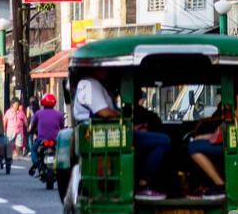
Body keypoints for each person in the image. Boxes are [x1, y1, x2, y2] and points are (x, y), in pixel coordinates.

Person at [73, 67, 169, 197]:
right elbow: (105, 113)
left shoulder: (94, 85)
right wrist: (125, 121)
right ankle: (144, 183)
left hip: (109, 133)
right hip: (106, 135)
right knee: (163, 141)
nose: (107, 70)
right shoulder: (90, 84)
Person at [28, 93, 65, 172]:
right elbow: (62, 127)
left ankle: (36, 162)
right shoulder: (59, 114)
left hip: (41, 139)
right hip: (55, 139)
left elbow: (33, 126)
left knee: (33, 149)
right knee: (61, 150)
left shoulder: (38, 113)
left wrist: (31, 132)